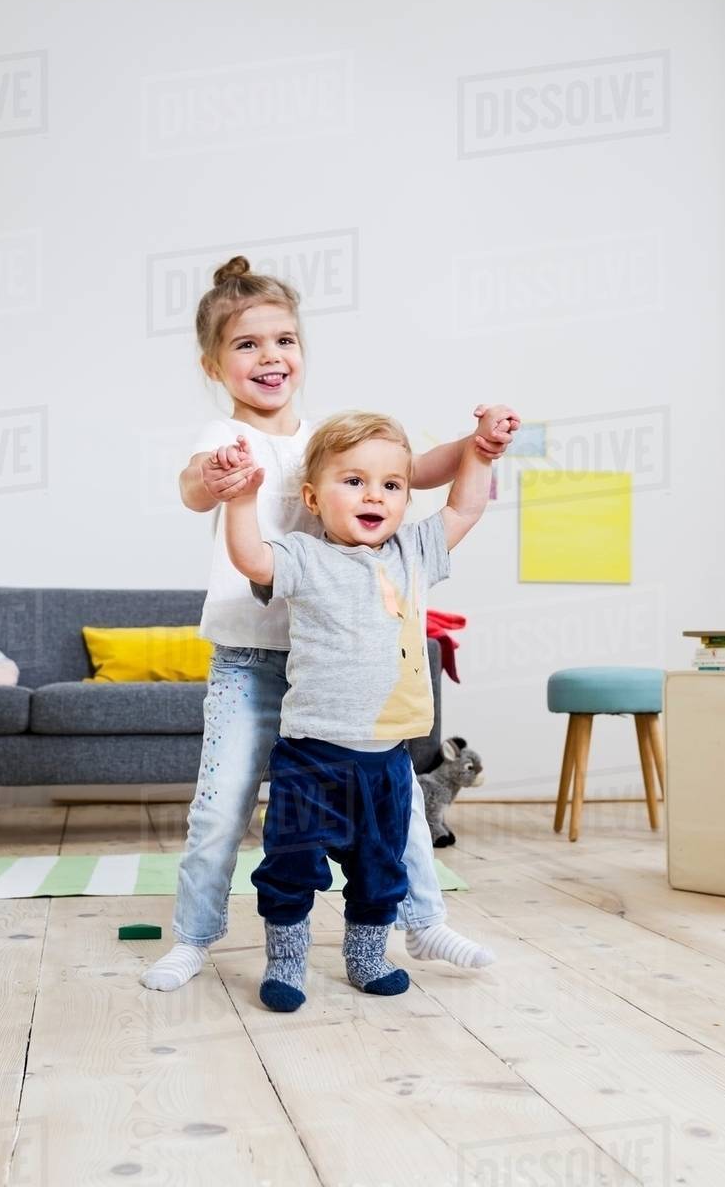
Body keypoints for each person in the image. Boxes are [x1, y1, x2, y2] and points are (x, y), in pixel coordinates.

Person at [140, 255, 519, 993]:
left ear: (301, 352)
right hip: (254, 660)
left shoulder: (329, 439)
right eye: (246, 345)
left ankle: (424, 919)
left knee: (398, 802)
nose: (268, 356)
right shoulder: (225, 436)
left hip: (343, 672)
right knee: (221, 809)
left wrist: (478, 447)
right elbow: (193, 489)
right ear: (213, 364)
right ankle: (194, 936)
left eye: (283, 340)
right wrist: (218, 481)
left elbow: (419, 467)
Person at [223, 409, 508, 1011]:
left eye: (391, 484)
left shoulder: (413, 551)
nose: (374, 495)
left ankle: (367, 957)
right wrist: (242, 501)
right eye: (353, 481)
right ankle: (287, 961)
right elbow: (252, 559)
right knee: (290, 867)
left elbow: (464, 509)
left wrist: (479, 452)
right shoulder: (304, 555)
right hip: (312, 759)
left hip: (386, 763)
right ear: (313, 496)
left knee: (380, 871)